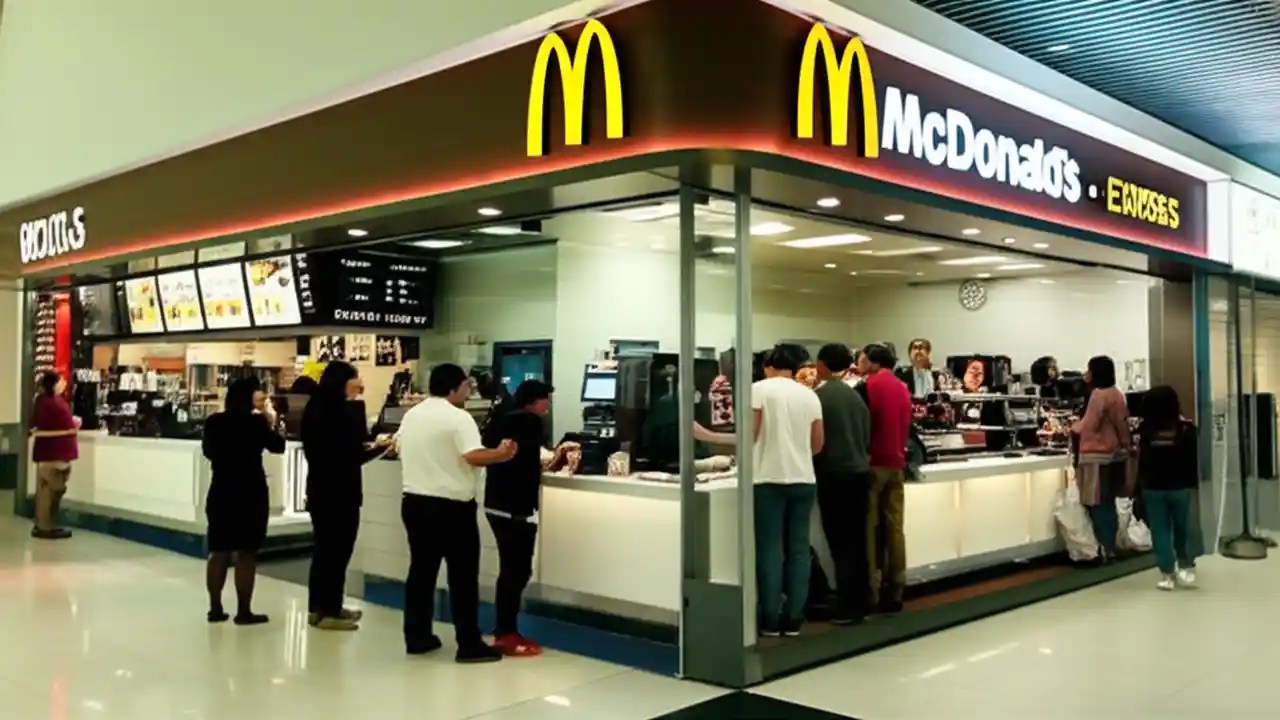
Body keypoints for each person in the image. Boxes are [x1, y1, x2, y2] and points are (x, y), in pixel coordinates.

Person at [696, 343, 823, 637]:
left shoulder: (759, 389)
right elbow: (818, 444)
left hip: (767, 480)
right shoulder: (810, 395)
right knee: (799, 550)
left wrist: (706, 435)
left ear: (768, 366)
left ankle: (769, 618)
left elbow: (749, 436)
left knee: (768, 549)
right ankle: (793, 619)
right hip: (803, 479)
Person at [398, 363, 516, 663]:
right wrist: (502, 455)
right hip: (451, 507)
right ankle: (468, 642)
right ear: (454, 387)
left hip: (414, 502)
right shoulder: (458, 418)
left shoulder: (413, 414)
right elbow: (472, 456)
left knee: (421, 572)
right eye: (466, 386)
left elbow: (400, 447)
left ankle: (417, 635)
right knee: (462, 576)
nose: (468, 391)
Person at [301, 361, 390, 631]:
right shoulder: (336, 411)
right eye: (355, 378)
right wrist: (380, 449)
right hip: (339, 492)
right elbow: (348, 455)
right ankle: (328, 610)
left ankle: (322, 607)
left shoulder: (316, 407)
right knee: (337, 551)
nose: (359, 383)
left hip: (321, 489)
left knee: (325, 551)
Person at [202, 377, 285, 625]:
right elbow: (278, 446)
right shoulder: (257, 422)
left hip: (221, 490)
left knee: (219, 550)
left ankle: (215, 608)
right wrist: (273, 421)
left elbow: (208, 451)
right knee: (247, 552)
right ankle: (243, 610)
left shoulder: (214, 422)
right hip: (250, 492)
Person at [483, 379, 554, 657]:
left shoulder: (501, 417)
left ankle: (504, 628)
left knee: (509, 570)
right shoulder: (529, 422)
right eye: (545, 399)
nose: (547, 404)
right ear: (534, 401)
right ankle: (506, 632)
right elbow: (529, 460)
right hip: (516, 509)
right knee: (517, 570)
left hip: (496, 504)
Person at [813, 344, 872, 625]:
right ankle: (862, 602)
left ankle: (848, 608)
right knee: (858, 542)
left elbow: (815, 442)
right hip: (860, 474)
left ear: (821, 365)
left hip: (834, 475)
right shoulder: (855, 397)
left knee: (840, 543)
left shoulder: (819, 397)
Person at [863, 343, 912, 614]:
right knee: (895, 530)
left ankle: (871, 590)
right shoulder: (902, 387)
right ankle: (896, 588)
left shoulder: (871, 386)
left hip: (874, 463)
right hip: (897, 463)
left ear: (872, 362)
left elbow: (867, 424)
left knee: (870, 528)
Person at [1137, 386, 1198, 590]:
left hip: (1153, 487)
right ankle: (1186, 565)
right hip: (1180, 486)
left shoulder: (1145, 431)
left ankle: (1167, 573)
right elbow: (1193, 460)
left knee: (1160, 530)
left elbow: (1142, 460)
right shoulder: (1187, 430)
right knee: (1182, 527)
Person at [1072, 355, 1132, 562]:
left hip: (1095, 455)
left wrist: (1071, 427)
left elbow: (1089, 424)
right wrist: (1126, 445)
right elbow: (1122, 424)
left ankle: (1103, 548)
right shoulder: (1117, 394)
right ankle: (1111, 546)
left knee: (1097, 503)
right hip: (1115, 455)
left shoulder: (1098, 395)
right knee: (1109, 502)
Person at [30, 372, 78, 540]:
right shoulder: (54, 403)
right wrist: (71, 429)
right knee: (51, 492)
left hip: (47, 454)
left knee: (46, 492)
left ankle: (44, 525)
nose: (64, 383)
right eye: (61, 380)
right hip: (55, 454)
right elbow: (64, 426)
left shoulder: (41, 401)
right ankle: (46, 527)